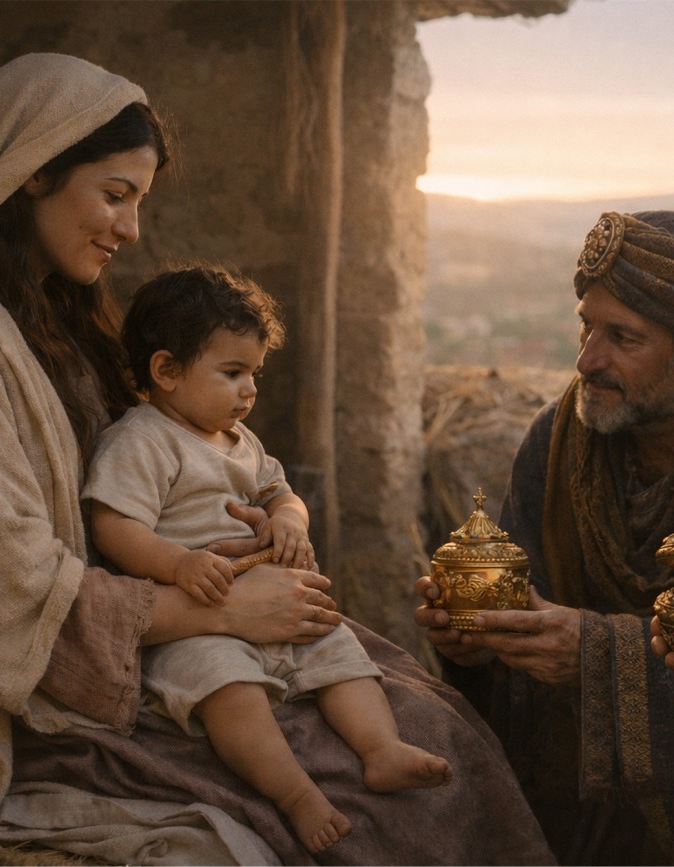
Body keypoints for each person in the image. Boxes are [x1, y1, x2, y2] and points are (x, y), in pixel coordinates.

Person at [0, 52, 553, 866]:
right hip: (27, 705)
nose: (130, 229)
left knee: (430, 718)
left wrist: (245, 549)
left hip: (162, 625)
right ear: (30, 174)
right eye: (114, 195)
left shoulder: (46, 322)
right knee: (377, 811)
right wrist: (226, 611)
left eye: (138, 201)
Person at [415, 210, 674, 865]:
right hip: (574, 816)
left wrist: (595, 652)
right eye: (586, 326)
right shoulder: (556, 442)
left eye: (622, 337)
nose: (588, 359)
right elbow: (522, 630)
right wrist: (477, 646)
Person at [82, 265, 452, 854]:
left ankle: (381, 750)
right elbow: (114, 524)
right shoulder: (143, 440)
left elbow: (283, 493)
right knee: (227, 689)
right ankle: (297, 794)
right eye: (232, 373)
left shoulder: (240, 442)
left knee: (336, 645)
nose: (250, 390)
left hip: (266, 599)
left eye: (254, 373)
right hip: (192, 614)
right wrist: (178, 564)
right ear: (167, 370)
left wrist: (287, 521)